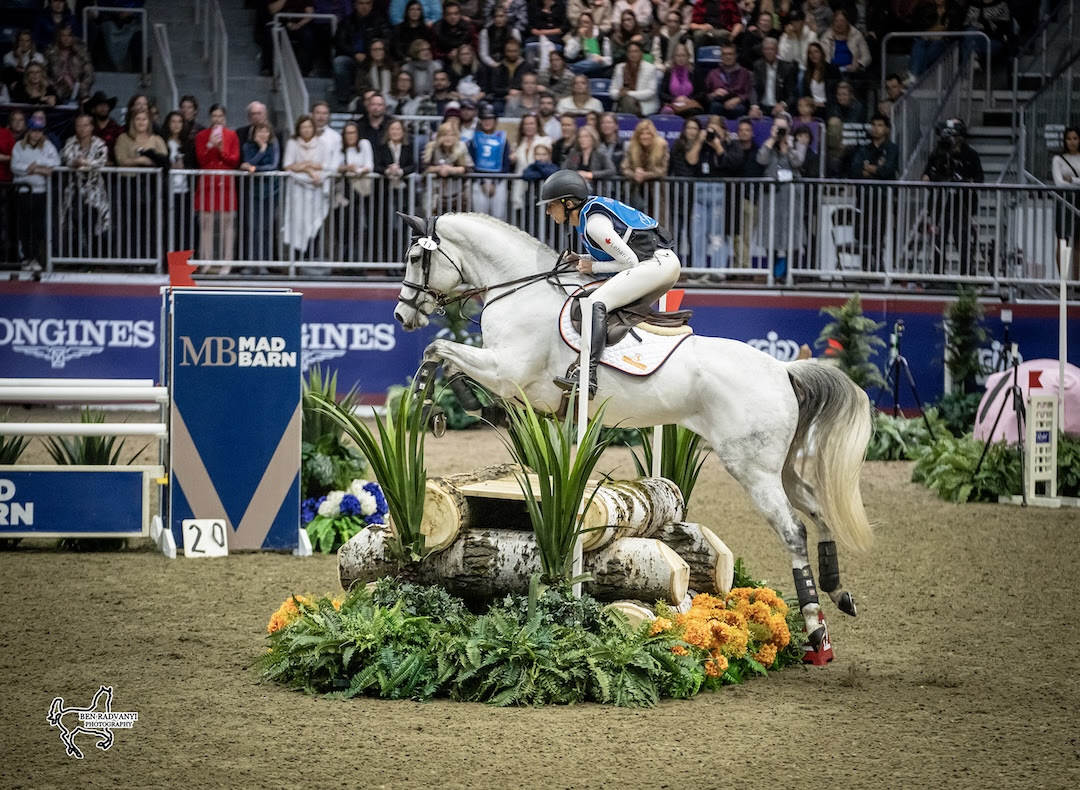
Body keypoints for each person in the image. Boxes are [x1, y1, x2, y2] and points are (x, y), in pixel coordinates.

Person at [536, 169, 681, 396]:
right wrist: (582, 258)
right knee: (614, 310)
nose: (547, 212)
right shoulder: (590, 214)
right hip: (659, 264)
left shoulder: (594, 225)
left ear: (568, 203)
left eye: (551, 205)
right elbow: (619, 255)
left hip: (655, 265)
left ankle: (587, 376)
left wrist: (592, 267)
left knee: (595, 304)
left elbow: (629, 262)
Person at [922, 118, 984, 276]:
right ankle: (937, 276)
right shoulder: (938, 153)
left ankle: (965, 278)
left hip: (962, 205)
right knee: (938, 241)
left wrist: (966, 183)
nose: (953, 138)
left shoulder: (970, 154)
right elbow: (927, 174)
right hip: (940, 204)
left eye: (956, 134)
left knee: (963, 242)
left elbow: (979, 179)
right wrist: (929, 178)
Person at [282, 114, 335, 264]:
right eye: (303, 127)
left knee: (314, 224)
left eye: (309, 127)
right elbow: (288, 165)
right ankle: (296, 261)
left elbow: (326, 166)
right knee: (297, 223)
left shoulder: (322, 143)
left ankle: (311, 260)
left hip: (316, 189)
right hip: (297, 190)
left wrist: (305, 165)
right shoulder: (293, 143)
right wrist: (309, 169)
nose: (306, 130)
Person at [756, 112, 804, 278]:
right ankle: (773, 273)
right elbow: (761, 160)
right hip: (772, 197)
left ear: (789, 128)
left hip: (791, 197)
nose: (781, 131)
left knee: (792, 234)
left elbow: (798, 162)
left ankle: (790, 274)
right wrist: (772, 140)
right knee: (771, 234)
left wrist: (788, 147)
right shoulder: (768, 145)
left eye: (783, 128)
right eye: (777, 127)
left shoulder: (795, 145)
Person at [194, 104, 241, 272]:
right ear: (210, 118)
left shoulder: (232, 135)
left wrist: (221, 149)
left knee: (227, 224)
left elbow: (234, 160)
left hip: (226, 184)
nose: (217, 119)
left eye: (220, 116)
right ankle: (206, 261)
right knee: (206, 223)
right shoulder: (201, 136)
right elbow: (201, 159)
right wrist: (209, 145)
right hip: (207, 184)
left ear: (225, 118)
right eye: (214, 116)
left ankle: (227, 262)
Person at [11, 115, 60, 268]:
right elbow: (15, 166)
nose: (36, 134)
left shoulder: (48, 146)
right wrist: (33, 169)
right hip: (23, 192)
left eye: (39, 131)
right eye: (34, 131)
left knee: (38, 226)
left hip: (40, 192)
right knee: (24, 225)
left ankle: (37, 257)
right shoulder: (19, 146)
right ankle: (27, 257)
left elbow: (56, 162)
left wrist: (36, 165)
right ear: (29, 131)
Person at [60, 113, 110, 257]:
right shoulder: (70, 142)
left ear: (92, 127)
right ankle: (79, 258)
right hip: (74, 191)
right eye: (79, 126)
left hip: (95, 192)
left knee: (94, 225)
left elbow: (102, 161)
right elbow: (67, 159)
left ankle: (95, 258)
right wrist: (78, 163)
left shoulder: (99, 143)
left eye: (85, 125)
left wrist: (85, 163)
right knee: (76, 226)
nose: (82, 129)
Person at [240, 119, 282, 263]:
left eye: (266, 131)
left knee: (266, 228)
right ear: (254, 133)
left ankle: (264, 262)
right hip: (254, 191)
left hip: (271, 191)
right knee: (253, 227)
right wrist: (261, 151)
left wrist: (255, 169)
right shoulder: (247, 146)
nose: (263, 134)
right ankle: (252, 262)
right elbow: (248, 163)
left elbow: (273, 166)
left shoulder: (274, 145)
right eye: (260, 131)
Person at [467, 102, 511, 219]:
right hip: (479, 179)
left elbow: (506, 162)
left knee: (498, 215)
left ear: (495, 121)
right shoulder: (474, 139)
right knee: (480, 216)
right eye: (484, 119)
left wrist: (495, 182)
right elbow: (471, 161)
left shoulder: (503, 139)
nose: (487, 122)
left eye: (490, 119)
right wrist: (482, 182)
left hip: (498, 180)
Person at [422, 120, 474, 213]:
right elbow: (424, 167)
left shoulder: (461, 147)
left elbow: (469, 168)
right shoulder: (432, 148)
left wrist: (451, 170)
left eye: (451, 135)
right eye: (445, 135)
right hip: (436, 193)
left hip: (458, 193)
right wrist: (438, 169)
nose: (448, 138)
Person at [163, 110, 196, 251]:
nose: (176, 125)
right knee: (168, 227)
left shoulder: (188, 144)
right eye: (173, 121)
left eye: (179, 122)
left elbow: (194, 164)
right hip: (167, 191)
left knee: (184, 228)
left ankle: (181, 261)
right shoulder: (162, 142)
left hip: (185, 191)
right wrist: (170, 166)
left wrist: (185, 165)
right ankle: (167, 259)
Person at [1051, 125, 1080, 280]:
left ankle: (1076, 281)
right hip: (1064, 199)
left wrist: (1072, 180)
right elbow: (1059, 183)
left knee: (1078, 243)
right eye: (1069, 139)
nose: (1072, 142)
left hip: (1079, 199)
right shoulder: (1058, 159)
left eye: (1075, 138)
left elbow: (1066, 181)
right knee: (1063, 240)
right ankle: (1063, 282)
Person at [45, 24, 93, 106]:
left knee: (87, 103)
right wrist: (53, 85)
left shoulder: (81, 53)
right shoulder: (50, 53)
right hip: (57, 91)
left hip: (79, 90)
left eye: (69, 35)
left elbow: (89, 72)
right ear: (58, 37)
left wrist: (83, 85)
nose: (66, 38)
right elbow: (43, 73)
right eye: (63, 35)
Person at [750, 37, 797, 118]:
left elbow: (792, 94)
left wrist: (783, 104)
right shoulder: (758, 65)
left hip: (779, 106)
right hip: (762, 107)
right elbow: (754, 87)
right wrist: (754, 106)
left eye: (771, 49)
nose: (768, 52)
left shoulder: (787, 68)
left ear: (777, 50)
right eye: (766, 49)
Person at [609, 41, 659, 115]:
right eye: (630, 52)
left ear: (641, 53)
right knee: (626, 101)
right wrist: (619, 93)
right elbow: (612, 92)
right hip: (622, 102)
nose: (633, 54)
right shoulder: (619, 68)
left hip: (643, 104)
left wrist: (628, 93)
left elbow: (651, 92)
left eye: (636, 51)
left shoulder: (650, 68)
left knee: (628, 100)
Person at [704, 43, 751, 118]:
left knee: (739, 109)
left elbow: (748, 92)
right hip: (718, 102)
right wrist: (713, 94)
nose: (727, 57)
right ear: (721, 57)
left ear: (736, 56)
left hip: (738, 103)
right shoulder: (713, 73)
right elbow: (705, 95)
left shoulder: (744, 73)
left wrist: (739, 99)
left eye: (730, 54)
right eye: (724, 54)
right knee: (715, 106)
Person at [660, 43, 702, 116]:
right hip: (673, 104)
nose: (681, 58)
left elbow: (701, 93)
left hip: (690, 104)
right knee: (667, 112)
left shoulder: (694, 72)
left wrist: (688, 99)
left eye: (683, 55)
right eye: (678, 55)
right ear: (673, 57)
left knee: (693, 112)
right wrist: (674, 99)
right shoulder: (668, 72)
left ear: (688, 57)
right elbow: (663, 94)